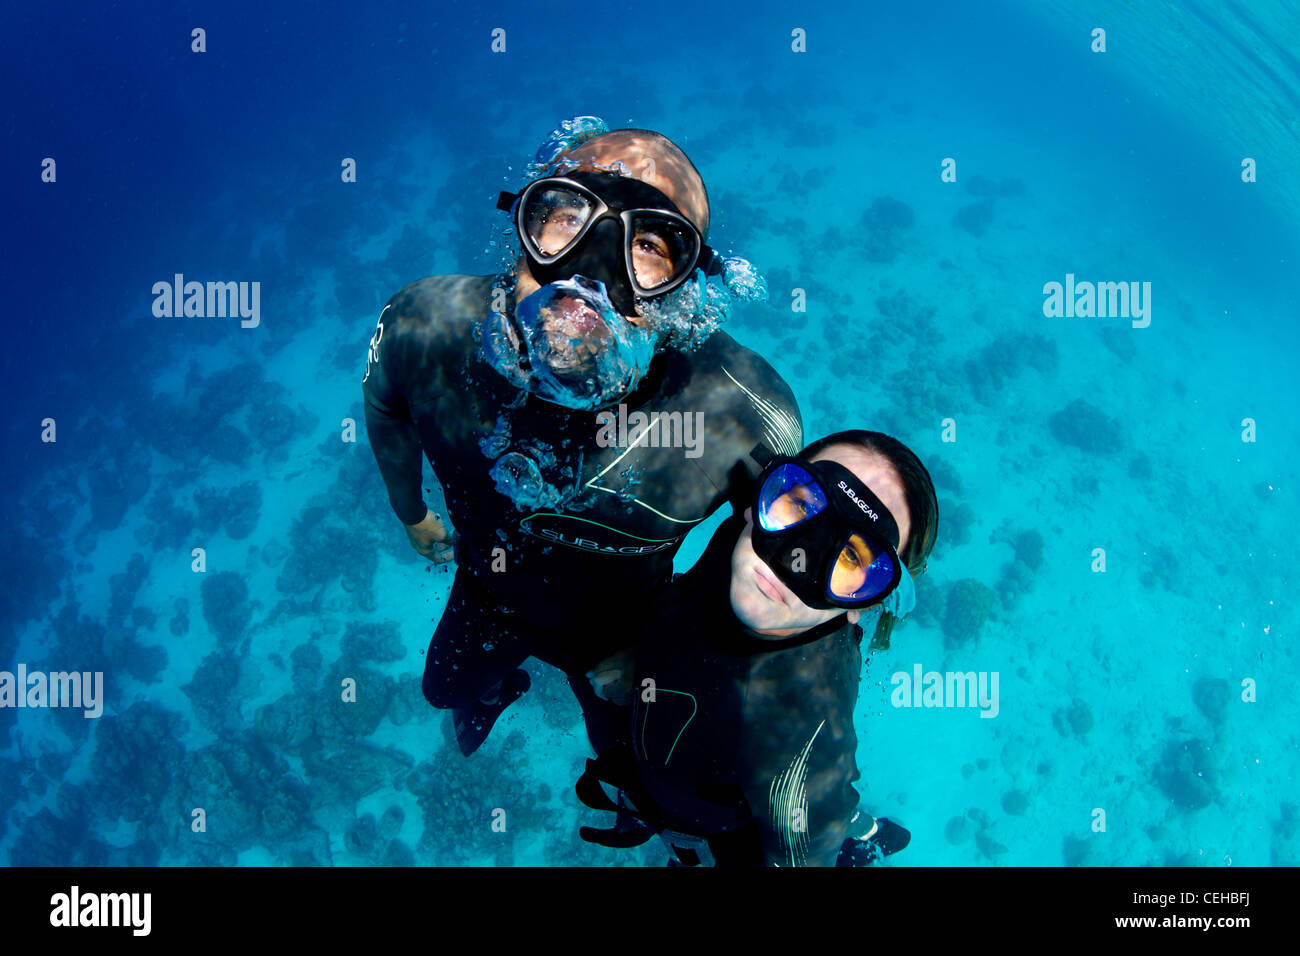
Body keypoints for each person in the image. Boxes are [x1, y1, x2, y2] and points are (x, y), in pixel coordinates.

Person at [362, 119, 802, 755]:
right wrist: (411, 512)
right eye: (565, 215)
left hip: (620, 634)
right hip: (486, 592)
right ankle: (497, 687)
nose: (589, 274)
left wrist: (676, 642)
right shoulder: (425, 325)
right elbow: (384, 404)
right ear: (523, 221)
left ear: (684, 291)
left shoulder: (737, 410)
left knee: (636, 774)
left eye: (650, 245)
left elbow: (776, 565)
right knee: (446, 690)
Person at [572, 430, 939, 866]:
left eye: (852, 557)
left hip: (717, 823)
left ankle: (855, 834)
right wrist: (647, 650)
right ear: (759, 495)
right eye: (803, 503)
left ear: (866, 604)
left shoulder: (801, 740)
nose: (794, 556)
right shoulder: (753, 527)